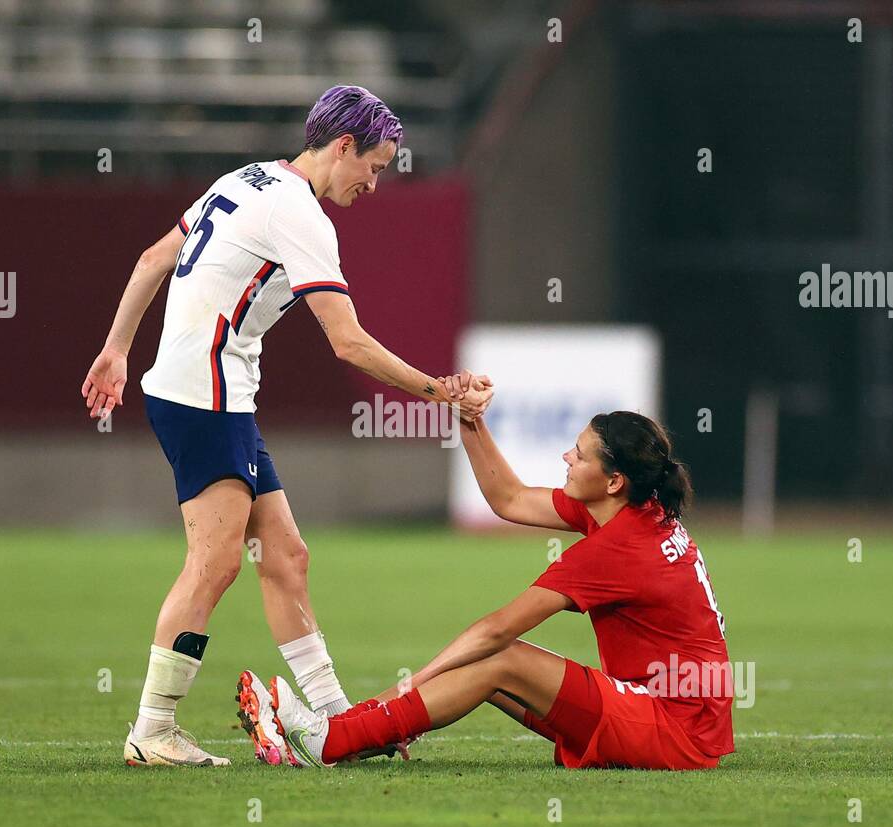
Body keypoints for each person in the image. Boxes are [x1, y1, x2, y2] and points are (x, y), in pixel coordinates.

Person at [81, 86, 493, 768]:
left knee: (285, 557)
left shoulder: (245, 179)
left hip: (210, 395)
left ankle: (339, 722)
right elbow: (349, 344)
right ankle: (152, 729)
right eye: (377, 165)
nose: (375, 181)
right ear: (341, 147)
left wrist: (117, 349)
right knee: (213, 564)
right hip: (204, 397)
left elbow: (151, 260)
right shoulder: (300, 213)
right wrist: (441, 392)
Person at [239, 400, 735, 771]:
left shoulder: (619, 547)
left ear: (613, 481)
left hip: (673, 728)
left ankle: (330, 739)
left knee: (501, 658)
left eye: (580, 455)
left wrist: (401, 688)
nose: (566, 455)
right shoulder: (635, 509)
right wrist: (468, 418)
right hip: (668, 712)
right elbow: (510, 498)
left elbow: (497, 630)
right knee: (490, 668)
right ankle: (348, 736)